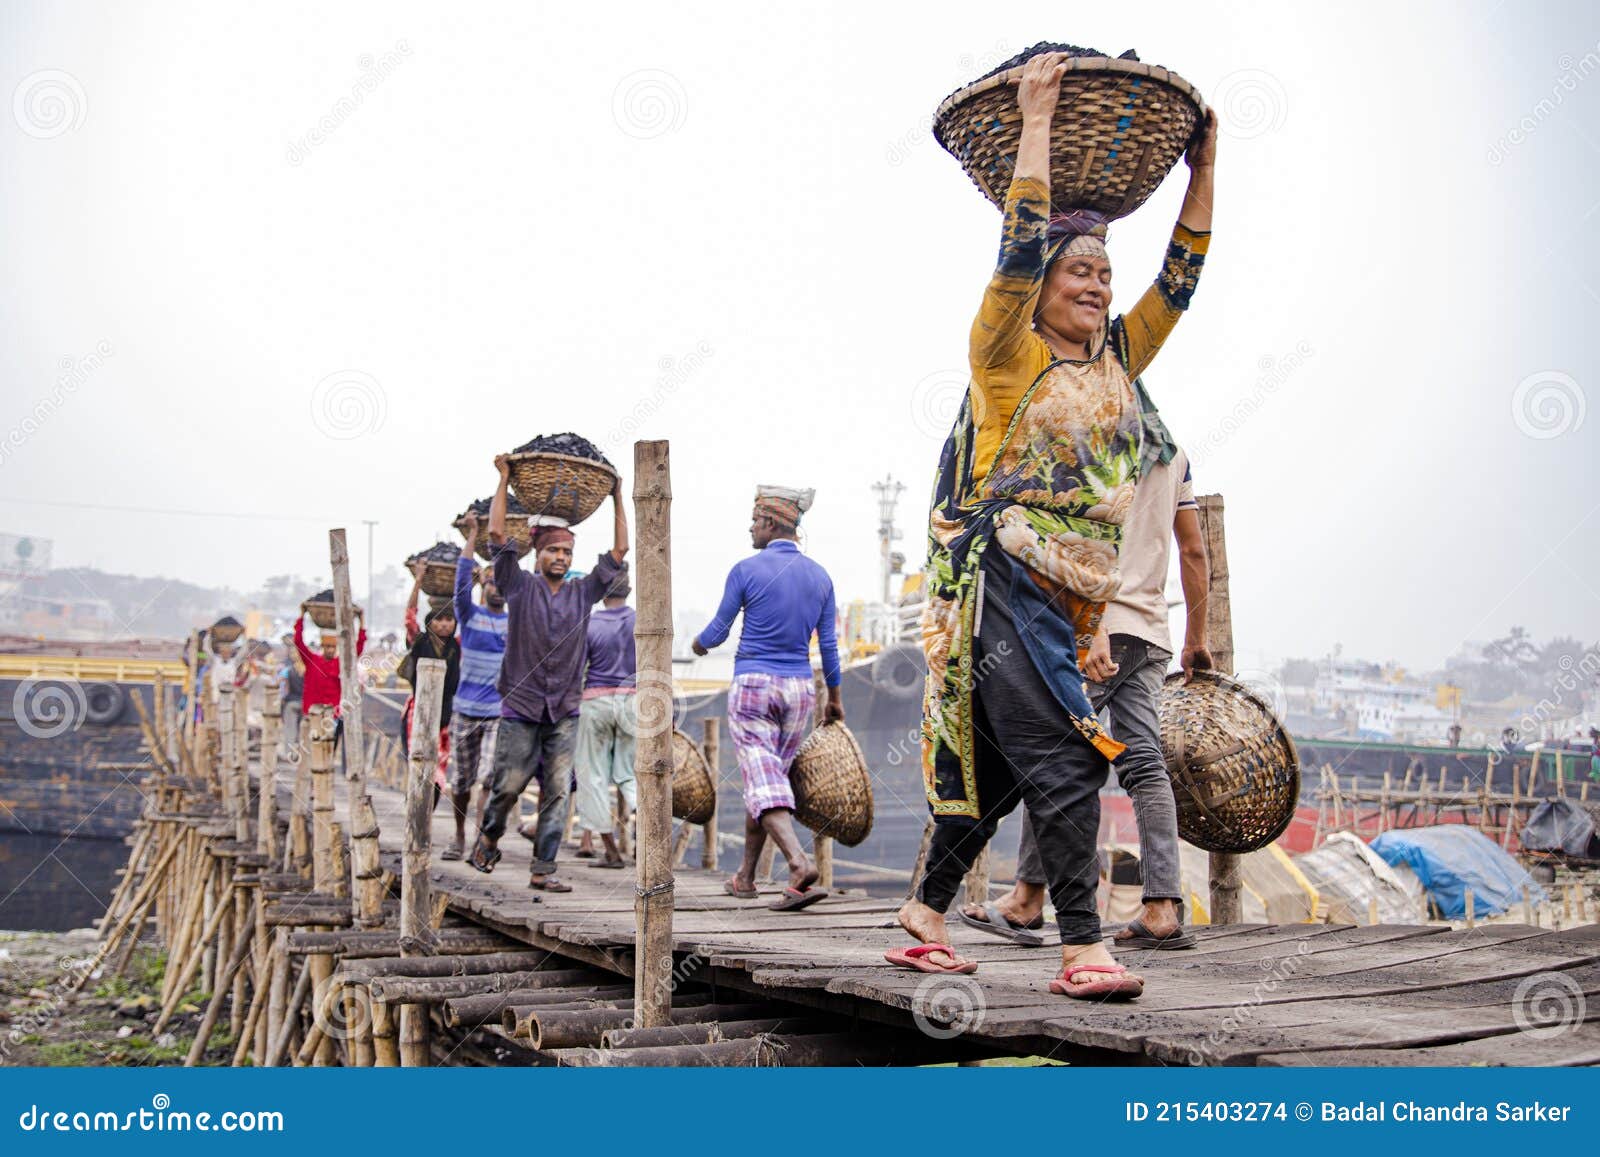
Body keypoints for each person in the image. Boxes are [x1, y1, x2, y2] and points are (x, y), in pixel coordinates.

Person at [897, 51, 1216, 999]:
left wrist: (1204, 169)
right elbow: (1016, 245)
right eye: (1078, 269)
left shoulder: (1119, 356)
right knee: (1069, 752)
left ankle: (921, 916)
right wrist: (1036, 118)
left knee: (997, 768)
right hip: (1006, 580)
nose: (1097, 283)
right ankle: (1084, 945)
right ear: (1040, 284)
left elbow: (1183, 279)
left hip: (1074, 596)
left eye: (1103, 271)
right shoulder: (1005, 353)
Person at [958, 445, 1210, 951]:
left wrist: (1086, 625)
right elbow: (1194, 551)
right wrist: (1195, 639)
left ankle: (1028, 899)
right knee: (1144, 764)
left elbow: (1074, 538)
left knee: (1051, 755)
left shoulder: (1099, 437)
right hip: (1151, 632)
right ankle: (1162, 908)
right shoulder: (1175, 455)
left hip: (1091, 629)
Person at [468, 454, 629, 892]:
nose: (560, 557)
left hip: (564, 709)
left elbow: (619, 551)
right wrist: (502, 479)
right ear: (537, 554)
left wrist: (617, 496)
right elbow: (498, 534)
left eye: (566, 552)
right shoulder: (518, 586)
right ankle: (488, 836)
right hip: (521, 705)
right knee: (508, 785)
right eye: (553, 551)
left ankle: (543, 871)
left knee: (558, 792)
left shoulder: (583, 592)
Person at [693, 486, 843, 911]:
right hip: (800, 691)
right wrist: (834, 698)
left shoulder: (745, 569)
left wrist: (698, 644)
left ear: (772, 523)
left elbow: (718, 631)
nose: (751, 527)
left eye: (756, 520)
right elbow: (828, 648)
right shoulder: (821, 576)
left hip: (755, 685)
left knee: (763, 781)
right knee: (766, 780)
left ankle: (798, 865)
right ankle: (745, 877)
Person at [443, 515, 509, 861]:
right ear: (484, 584)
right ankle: (457, 833)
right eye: (492, 582)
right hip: (465, 709)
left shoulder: (514, 622)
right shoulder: (469, 615)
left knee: (488, 779)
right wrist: (472, 535)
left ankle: (479, 841)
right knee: (461, 782)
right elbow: (459, 582)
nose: (497, 588)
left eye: (503, 583)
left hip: (497, 713)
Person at [574, 572, 638, 868]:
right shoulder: (642, 621)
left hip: (595, 701)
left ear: (602, 594)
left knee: (593, 776)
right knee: (631, 774)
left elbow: (577, 669)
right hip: (633, 702)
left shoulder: (590, 622)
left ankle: (611, 850)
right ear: (629, 590)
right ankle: (648, 832)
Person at [400, 601, 460, 802]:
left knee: (437, 771)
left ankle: (425, 815)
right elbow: (409, 618)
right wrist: (418, 580)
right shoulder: (420, 642)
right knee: (417, 765)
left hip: (445, 717)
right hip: (417, 714)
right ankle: (414, 817)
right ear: (429, 623)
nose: (444, 624)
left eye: (448, 619)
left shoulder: (456, 646)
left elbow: (472, 621)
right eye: (438, 619)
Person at [293, 602, 366, 755]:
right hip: (311, 715)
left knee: (328, 752)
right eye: (327, 647)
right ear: (323, 647)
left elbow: (357, 648)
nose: (330, 650)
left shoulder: (341, 664)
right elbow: (298, 642)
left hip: (333, 717)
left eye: (333, 647)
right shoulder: (312, 660)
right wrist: (301, 615)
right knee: (310, 752)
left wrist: (362, 621)